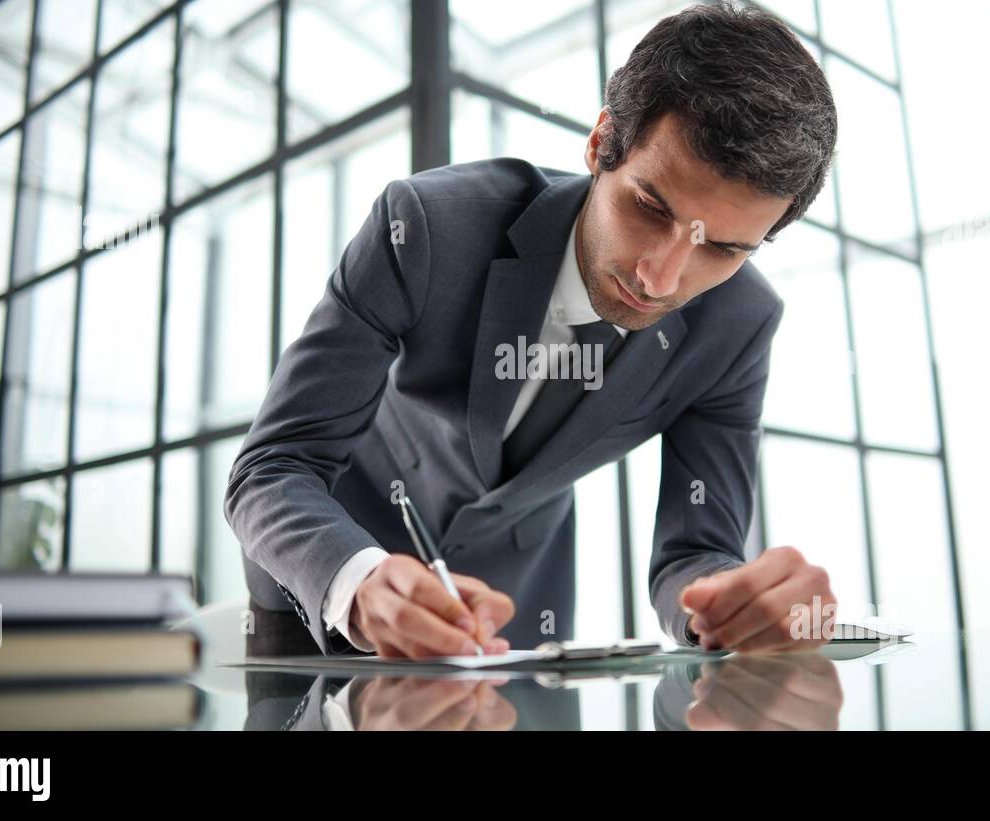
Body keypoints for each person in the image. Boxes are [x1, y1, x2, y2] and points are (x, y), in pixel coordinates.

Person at [224, 2, 839, 658]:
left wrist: (729, 602)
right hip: (319, 592)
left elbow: (698, 551)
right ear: (602, 141)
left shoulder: (739, 325)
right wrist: (358, 579)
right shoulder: (427, 228)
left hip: (516, 625)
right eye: (651, 207)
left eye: (723, 247)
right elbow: (271, 467)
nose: (661, 277)